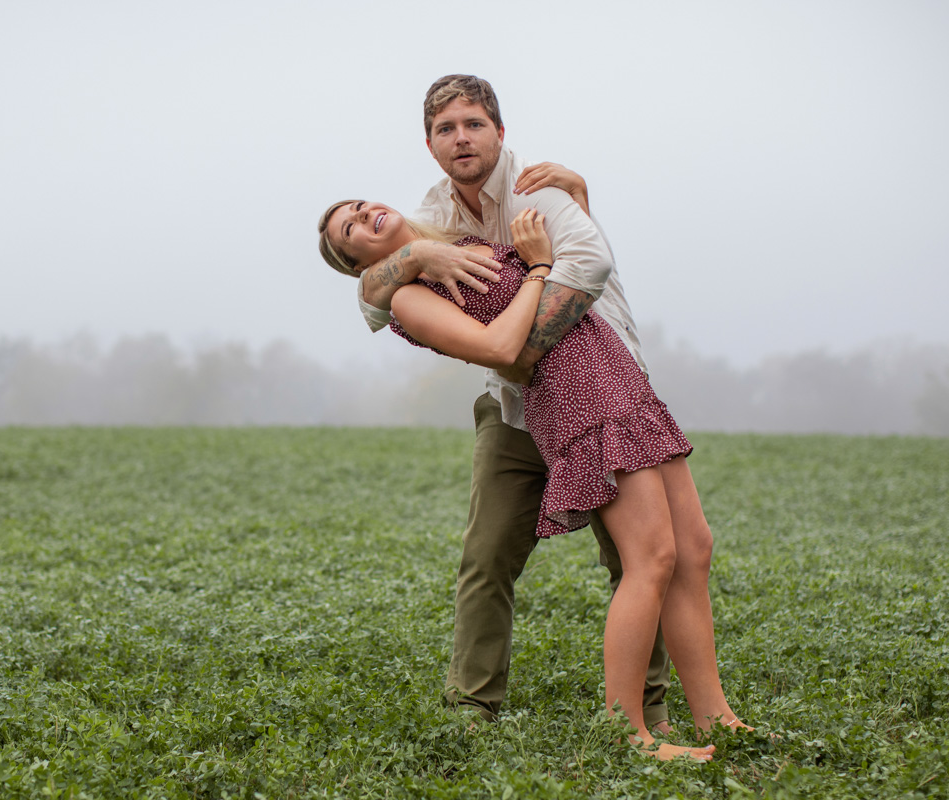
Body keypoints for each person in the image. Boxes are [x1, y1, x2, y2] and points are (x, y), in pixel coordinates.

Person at [319, 200, 751, 760]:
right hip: (576, 397)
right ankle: (630, 734)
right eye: (348, 229)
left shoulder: (451, 230)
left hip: (618, 375)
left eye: (358, 205)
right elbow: (501, 348)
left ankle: (715, 717)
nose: (362, 215)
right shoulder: (407, 295)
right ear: (358, 262)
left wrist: (574, 194)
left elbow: (586, 251)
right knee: (652, 559)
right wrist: (540, 268)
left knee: (694, 549)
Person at [338, 74, 675, 735]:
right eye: (445, 129)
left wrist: (520, 351)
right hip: (515, 408)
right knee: (486, 554)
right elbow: (372, 299)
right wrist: (417, 252)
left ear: (499, 130)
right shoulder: (430, 212)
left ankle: (649, 711)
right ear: (429, 144)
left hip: (600, 391)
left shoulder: (539, 187)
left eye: (472, 124)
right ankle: (472, 709)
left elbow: (589, 263)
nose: (460, 138)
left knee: (637, 557)